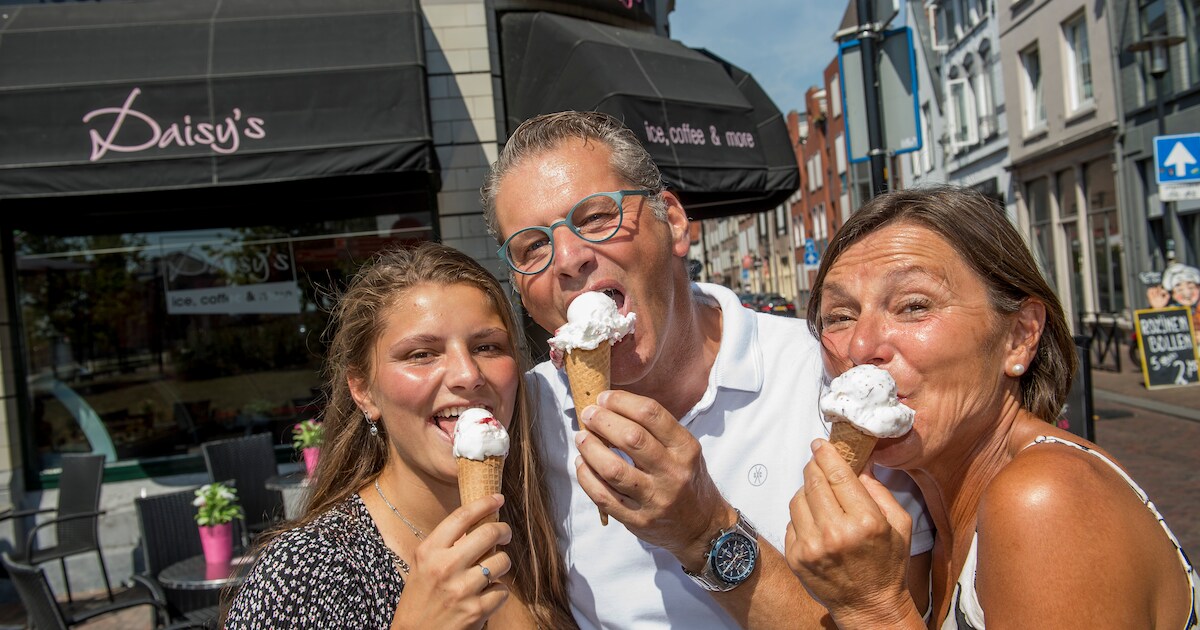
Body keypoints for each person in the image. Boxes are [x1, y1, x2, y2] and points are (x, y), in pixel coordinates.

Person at [480, 110, 934, 628]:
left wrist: (704, 533)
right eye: (532, 246)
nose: (567, 257)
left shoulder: (832, 381)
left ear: (672, 222)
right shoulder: (519, 417)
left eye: (595, 217)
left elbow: (896, 611)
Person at [785, 186, 1200, 629]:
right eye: (840, 316)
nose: (862, 345)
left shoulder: (1046, 498)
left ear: (1020, 335)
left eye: (912, 306)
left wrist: (873, 607)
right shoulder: (922, 517)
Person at [224, 243, 577, 629]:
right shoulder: (306, 572)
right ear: (363, 391)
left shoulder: (549, 524)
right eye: (421, 354)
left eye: (487, 346)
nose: (467, 374)